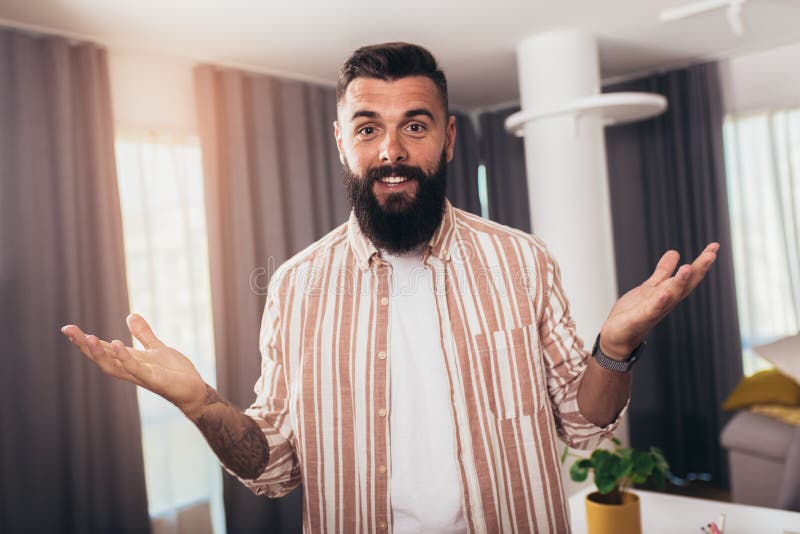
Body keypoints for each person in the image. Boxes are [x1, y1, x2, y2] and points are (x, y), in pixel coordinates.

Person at [61, 42, 719, 533]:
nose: (391, 151)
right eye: (368, 127)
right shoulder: (296, 287)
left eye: (415, 124)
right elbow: (276, 466)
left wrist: (614, 344)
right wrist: (200, 402)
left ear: (448, 136)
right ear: (342, 142)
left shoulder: (523, 262)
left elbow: (584, 423)